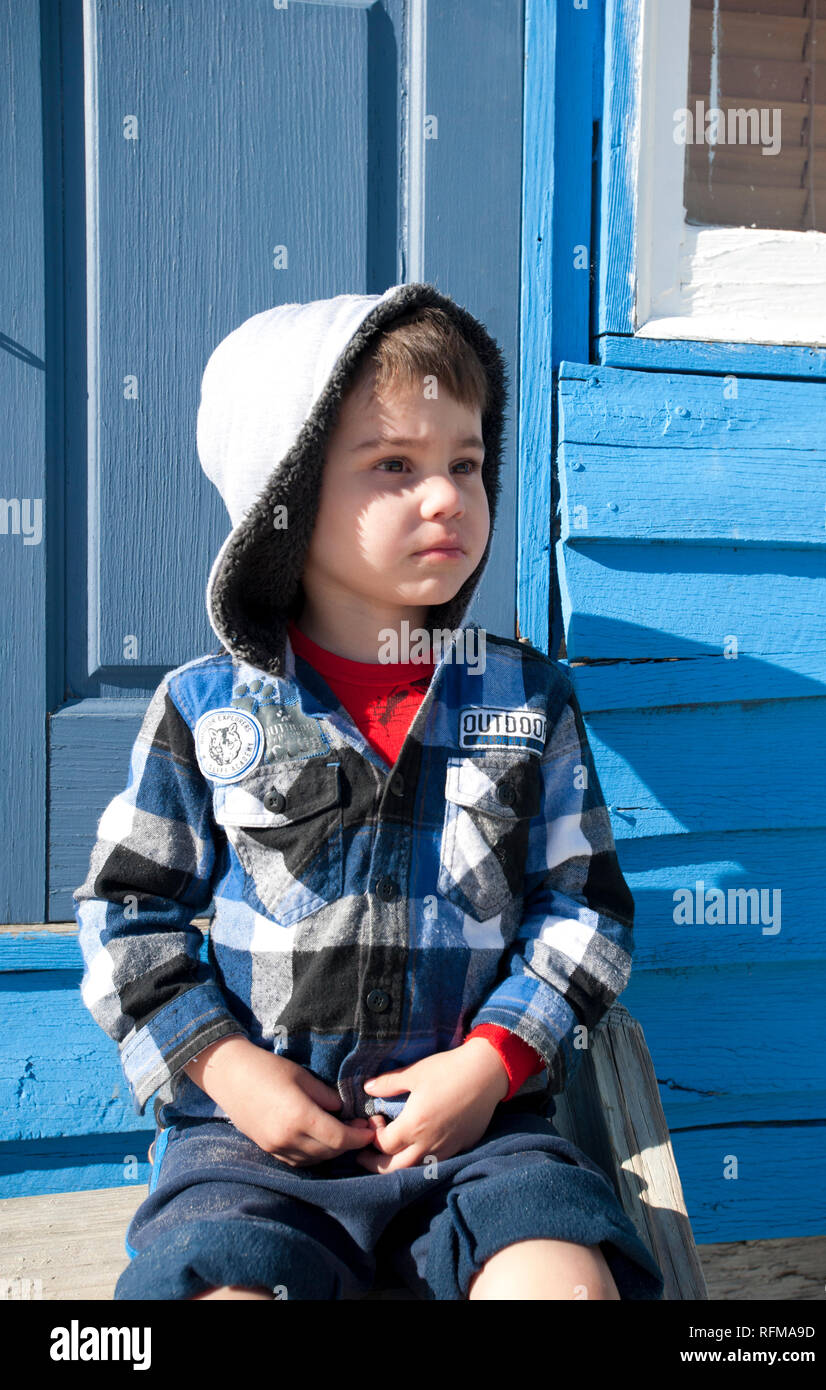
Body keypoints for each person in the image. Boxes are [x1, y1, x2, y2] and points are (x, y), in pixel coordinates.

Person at [73, 283, 665, 1301]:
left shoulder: (522, 700)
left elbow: (584, 912)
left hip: (482, 1145)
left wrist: (489, 1064)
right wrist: (224, 1066)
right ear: (285, 499)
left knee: (562, 1283)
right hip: (257, 1158)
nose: (446, 495)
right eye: (394, 465)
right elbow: (128, 915)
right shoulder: (206, 712)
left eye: (465, 463)